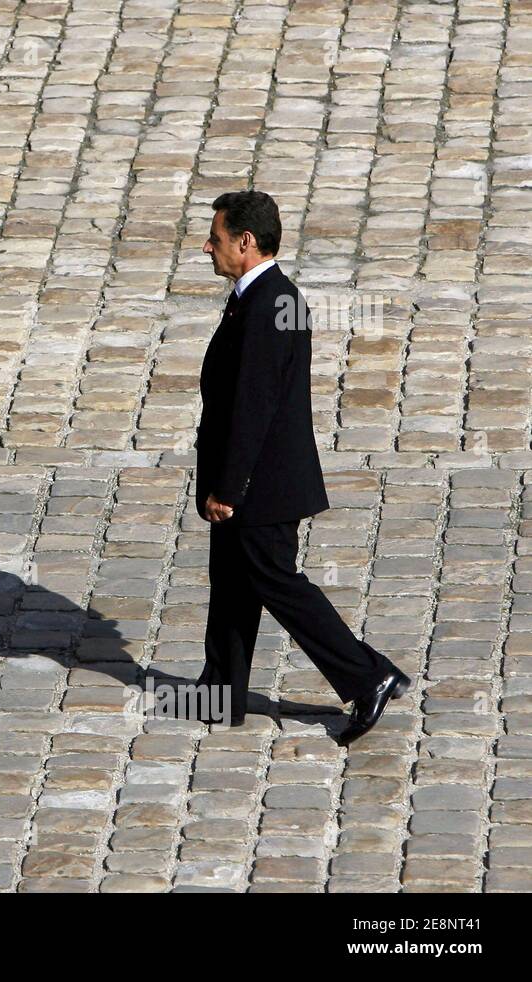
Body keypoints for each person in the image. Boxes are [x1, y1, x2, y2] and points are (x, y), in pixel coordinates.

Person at [194, 189, 410, 746]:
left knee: (277, 583)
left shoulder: (270, 306)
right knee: (233, 580)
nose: (206, 247)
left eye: (215, 239)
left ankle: (367, 676)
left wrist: (227, 487)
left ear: (245, 241)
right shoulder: (261, 297)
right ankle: (220, 692)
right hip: (257, 478)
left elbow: (254, 407)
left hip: (260, 484)